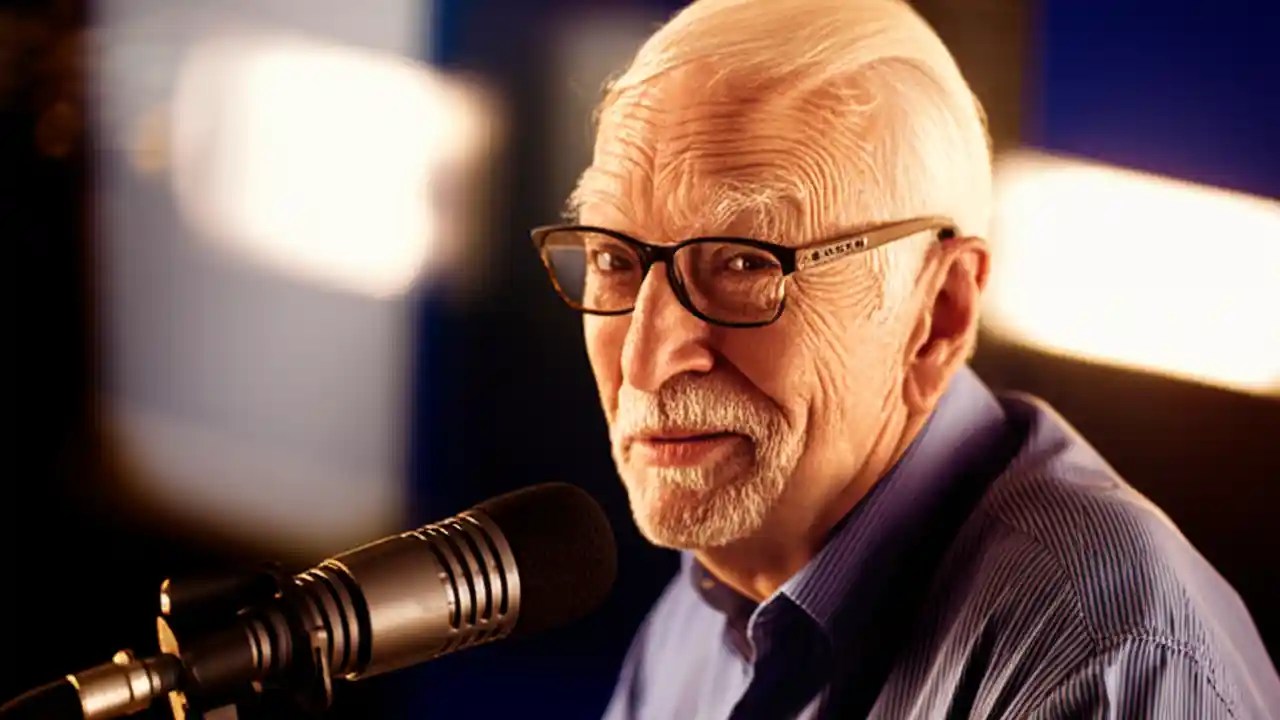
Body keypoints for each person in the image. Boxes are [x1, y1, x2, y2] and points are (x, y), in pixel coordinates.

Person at [529, 0, 1280, 717]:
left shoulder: (1097, 656)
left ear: (937, 315)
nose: (647, 359)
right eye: (613, 258)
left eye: (744, 263)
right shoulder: (703, 606)